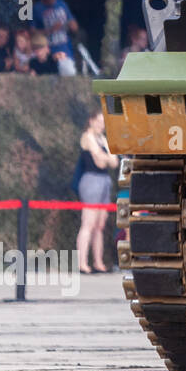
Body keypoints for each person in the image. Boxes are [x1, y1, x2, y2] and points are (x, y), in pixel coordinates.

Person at [76, 110, 118, 273]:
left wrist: (105, 157)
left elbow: (113, 162)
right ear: (91, 121)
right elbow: (100, 161)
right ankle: (82, 263)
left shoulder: (102, 139)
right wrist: (106, 157)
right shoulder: (87, 137)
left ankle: (98, 262)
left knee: (100, 224)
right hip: (91, 180)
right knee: (88, 223)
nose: (102, 125)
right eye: (99, 121)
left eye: (104, 122)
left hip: (105, 181)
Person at [32, 0, 78, 75]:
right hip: (46, 52)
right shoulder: (37, 8)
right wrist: (50, 30)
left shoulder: (62, 4)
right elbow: (31, 32)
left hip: (64, 49)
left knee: (69, 72)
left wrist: (72, 24)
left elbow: (74, 27)